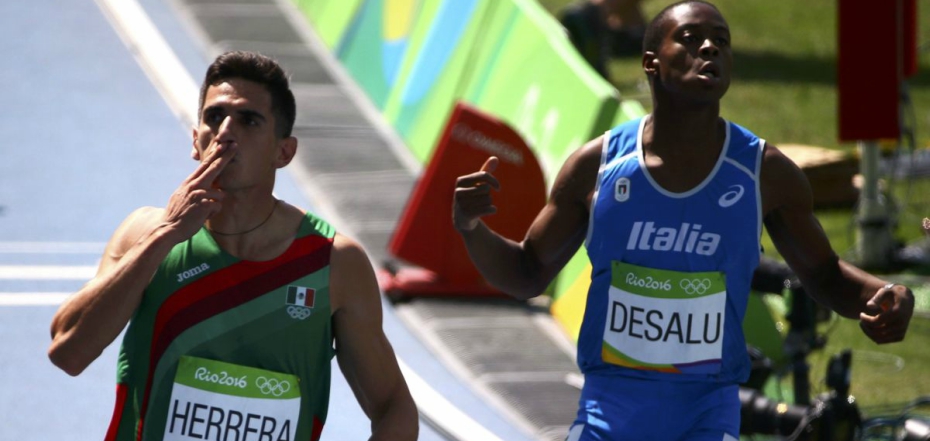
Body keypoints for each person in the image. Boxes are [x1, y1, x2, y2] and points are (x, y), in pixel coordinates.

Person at [452, 1, 915, 439]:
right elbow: (526, 272)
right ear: (651, 62)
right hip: (606, 414)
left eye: (721, 41)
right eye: (691, 39)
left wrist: (882, 296)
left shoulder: (764, 173)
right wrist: (472, 228)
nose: (710, 48)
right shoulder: (598, 167)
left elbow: (822, 273)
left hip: (706, 416)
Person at [48, 51, 418, 441]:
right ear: (196, 140)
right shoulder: (145, 234)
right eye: (213, 117)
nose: (225, 131)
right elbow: (69, 353)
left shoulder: (332, 264)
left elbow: (394, 405)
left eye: (249, 120)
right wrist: (166, 235)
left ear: (284, 152)